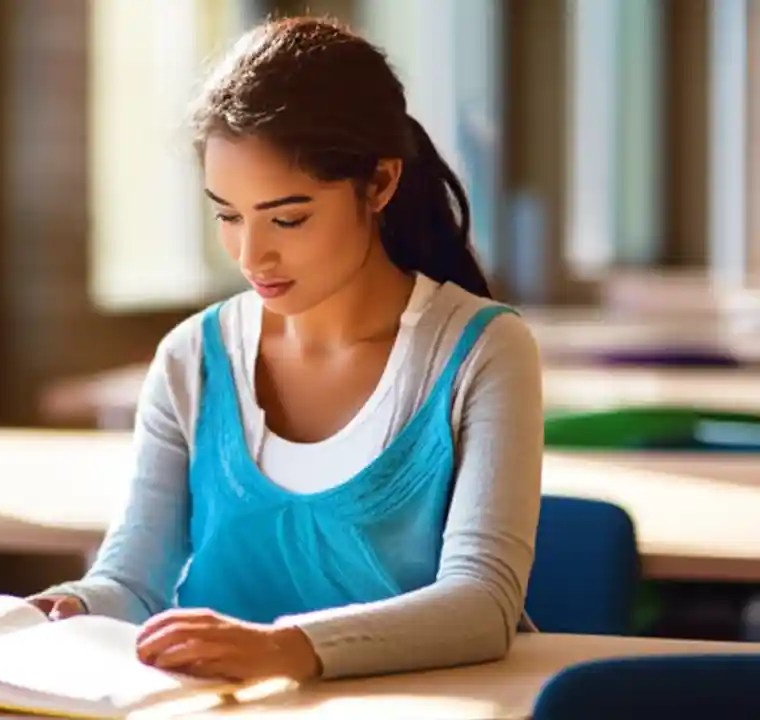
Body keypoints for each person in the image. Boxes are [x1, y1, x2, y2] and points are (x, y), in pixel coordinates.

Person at [32, 16, 543, 683]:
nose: (252, 255)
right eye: (227, 215)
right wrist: (63, 608)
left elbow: (482, 605)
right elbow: (131, 583)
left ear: (381, 184)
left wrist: (285, 649)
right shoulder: (192, 359)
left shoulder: (482, 350)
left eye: (288, 218)